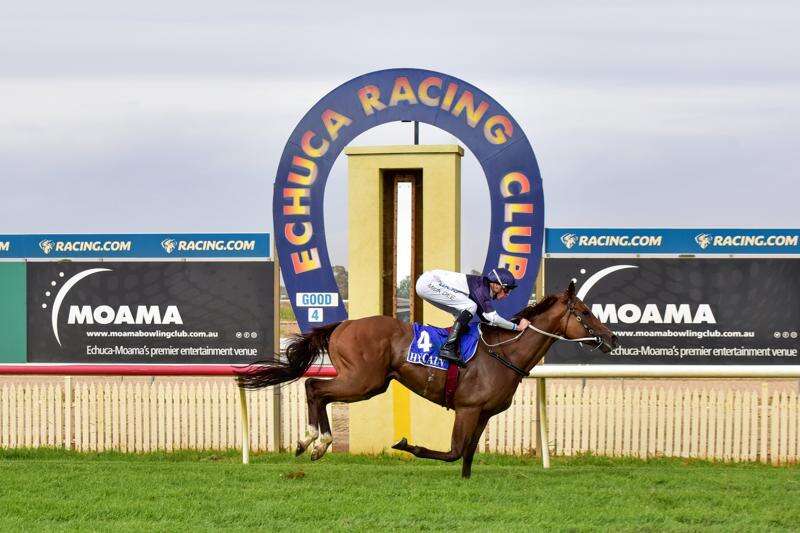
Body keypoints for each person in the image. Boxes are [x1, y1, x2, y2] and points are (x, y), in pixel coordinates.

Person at [414, 268, 531, 366]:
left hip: (427, 284)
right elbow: (493, 318)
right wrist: (517, 327)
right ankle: (448, 348)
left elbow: (487, 319)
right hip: (428, 283)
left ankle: (453, 345)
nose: (507, 294)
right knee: (470, 306)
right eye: (506, 289)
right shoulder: (481, 289)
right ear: (496, 285)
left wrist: (509, 324)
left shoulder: (482, 287)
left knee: (463, 311)